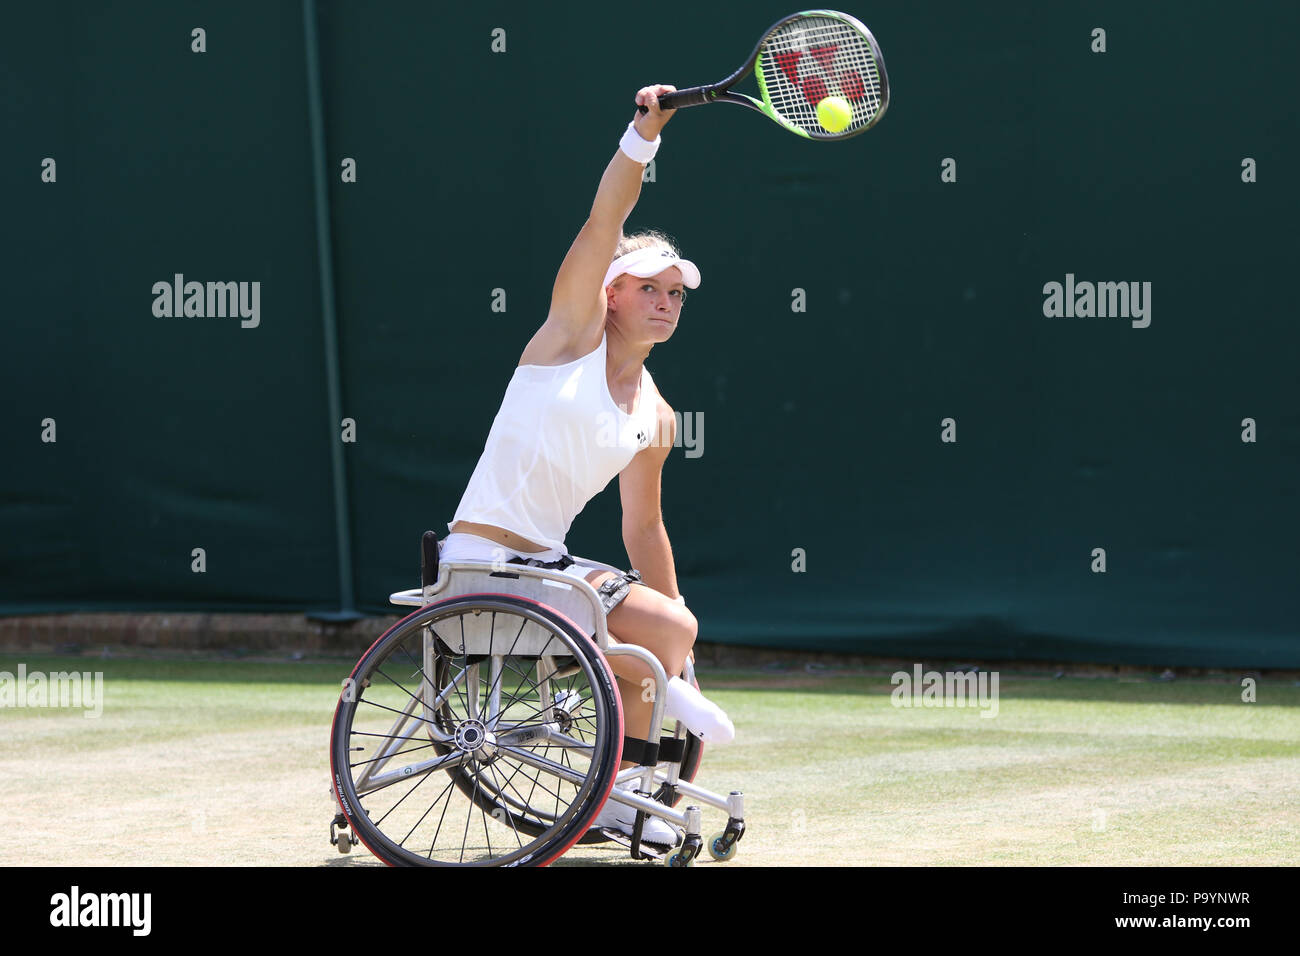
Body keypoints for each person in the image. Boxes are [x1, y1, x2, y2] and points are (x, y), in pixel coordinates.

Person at [440, 84, 733, 844]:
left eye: (676, 293)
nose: (666, 302)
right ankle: (646, 718)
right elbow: (606, 219)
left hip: (554, 570)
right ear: (609, 295)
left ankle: (624, 796)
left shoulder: (658, 416)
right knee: (646, 655)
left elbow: (645, 527)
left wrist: (685, 644)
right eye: (648, 288)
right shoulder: (569, 336)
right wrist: (645, 136)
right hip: (482, 563)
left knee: (670, 628)